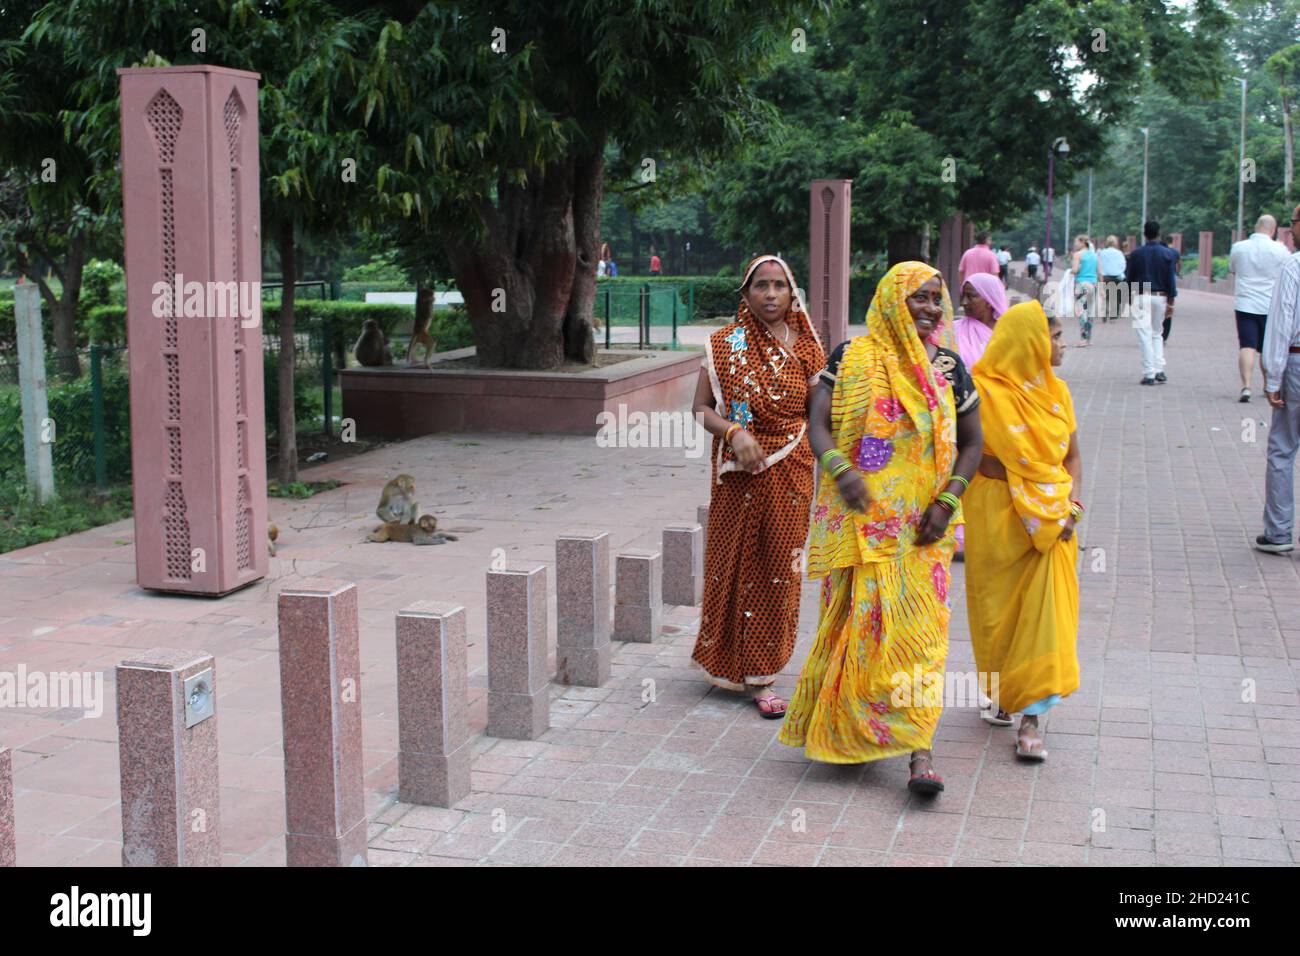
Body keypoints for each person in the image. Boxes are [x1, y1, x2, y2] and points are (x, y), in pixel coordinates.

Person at [778, 262, 983, 793]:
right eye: (920, 297)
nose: (932, 309)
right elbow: (817, 424)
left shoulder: (950, 368)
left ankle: (920, 753)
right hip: (862, 524)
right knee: (859, 633)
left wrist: (948, 500)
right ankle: (851, 734)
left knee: (919, 638)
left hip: (923, 532)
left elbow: (972, 444)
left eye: (938, 299)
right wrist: (840, 471)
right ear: (893, 299)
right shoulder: (852, 357)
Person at [690, 255, 826, 716]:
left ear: (792, 293)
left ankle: (764, 670)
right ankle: (728, 662)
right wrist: (733, 433)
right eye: (760, 286)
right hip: (738, 472)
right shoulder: (725, 344)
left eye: (779, 286)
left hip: (791, 471)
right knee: (731, 563)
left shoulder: (808, 348)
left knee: (778, 569)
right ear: (745, 294)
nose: (770, 294)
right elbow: (701, 409)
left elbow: (820, 415)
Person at [965, 301, 1082, 760]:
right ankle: (1000, 691)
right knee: (994, 614)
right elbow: (963, 450)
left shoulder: (1058, 393)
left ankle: (1031, 720)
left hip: (1051, 517)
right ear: (1029, 342)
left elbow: (1072, 456)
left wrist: (1072, 507)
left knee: (1043, 616)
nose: (1061, 344)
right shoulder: (981, 390)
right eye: (1054, 336)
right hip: (993, 512)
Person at [951, 273, 1010, 563]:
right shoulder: (951, 331)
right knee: (958, 469)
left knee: (990, 475)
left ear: (989, 299)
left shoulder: (1006, 335)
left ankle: (988, 531)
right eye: (963, 294)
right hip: (959, 416)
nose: (965, 302)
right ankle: (957, 535)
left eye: (972, 295)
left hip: (996, 416)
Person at [1255, 205, 1300, 554]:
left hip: (1297, 363)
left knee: (1283, 447)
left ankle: (1279, 532)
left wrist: (1273, 376)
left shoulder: (1293, 266)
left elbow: (1282, 322)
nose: (1290, 229)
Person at [1230, 215, 1291, 403]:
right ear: (1273, 229)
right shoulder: (1280, 250)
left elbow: (1233, 269)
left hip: (1245, 303)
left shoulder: (1239, 247)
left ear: (1256, 227)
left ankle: (1246, 386)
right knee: (1267, 347)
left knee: (1247, 345)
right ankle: (1267, 386)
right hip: (1270, 305)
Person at [1126, 219, 1180, 385]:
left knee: (1144, 335)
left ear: (1144, 234)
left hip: (1142, 294)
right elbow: (1171, 279)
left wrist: (1128, 297)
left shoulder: (1136, 254)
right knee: (1157, 333)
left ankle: (1149, 373)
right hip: (1160, 296)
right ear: (1158, 234)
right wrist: (1171, 301)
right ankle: (1159, 369)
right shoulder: (1168, 254)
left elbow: (1130, 278)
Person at [1071, 234, 1099, 346]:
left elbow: (1075, 269)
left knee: (1082, 311)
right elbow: (1099, 271)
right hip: (1093, 284)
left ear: (1082, 242)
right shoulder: (1095, 255)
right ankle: (1089, 339)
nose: (1075, 244)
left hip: (1081, 284)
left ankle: (1083, 339)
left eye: (1076, 242)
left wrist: (1072, 271)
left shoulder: (1078, 255)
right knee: (1090, 311)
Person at [1098, 235, 1126, 323]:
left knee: (1105, 294)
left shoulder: (1102, 252)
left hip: (1105, 276)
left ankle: (1105, 308)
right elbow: (1123, 264)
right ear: (1115, 243)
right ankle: (1114, 315)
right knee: (1117, 296)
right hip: (1117, 276)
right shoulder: (1119, 253)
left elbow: (1099, 264)